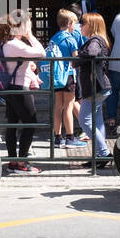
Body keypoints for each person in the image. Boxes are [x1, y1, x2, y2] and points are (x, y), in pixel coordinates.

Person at [1, 10, 45, 174]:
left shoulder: (11, 43)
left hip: (14, 88)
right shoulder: (15, 44)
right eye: (29, 23)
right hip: (19, 89)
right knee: (30, 124)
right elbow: (42, 52)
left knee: (12, 124)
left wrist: (30, 65)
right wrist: (31, 35)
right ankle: (21, 163)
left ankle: (14, 162)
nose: (30, 26)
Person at [74, 12, 112, 166]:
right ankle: (99, 156)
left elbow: (91, 53)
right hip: (100, 86)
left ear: (92, 25)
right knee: (97, 122)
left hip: (95, 87)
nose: (80, 26)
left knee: (85, 121)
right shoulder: (98, 39)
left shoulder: (95, 40)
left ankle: (103, 153)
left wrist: (76, 58)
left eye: (83, 23)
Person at [47, 9, 85, 148]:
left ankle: (57, 137)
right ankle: (70, 137)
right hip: (68, 75)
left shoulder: (54, 38)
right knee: (69, 106)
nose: (75, 26)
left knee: (58, 106)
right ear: (69, 23)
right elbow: (75, 59)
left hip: (56, 76)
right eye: (74, 23)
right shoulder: (70, 39)